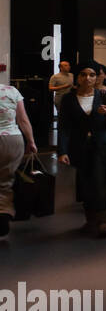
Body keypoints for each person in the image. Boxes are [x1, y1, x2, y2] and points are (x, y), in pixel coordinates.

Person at [57, 64, 106, 237]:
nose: (88, 78)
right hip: (80, 148)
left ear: (96, 77)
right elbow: (64, 127)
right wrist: (62, 151)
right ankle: (91, 220)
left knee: (100, 183)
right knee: (85, 184)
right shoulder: (69, 99)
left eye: (92, 74)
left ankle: (103, 222)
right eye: (83, 75)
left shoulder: (104, 95)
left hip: (102, 147)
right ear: (77, 78)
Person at [0, 81, 39, 237]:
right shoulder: (11, 91)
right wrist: (31, 141)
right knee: (5, 181)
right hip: (12, 141)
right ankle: (2, 217)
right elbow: (22, 120)